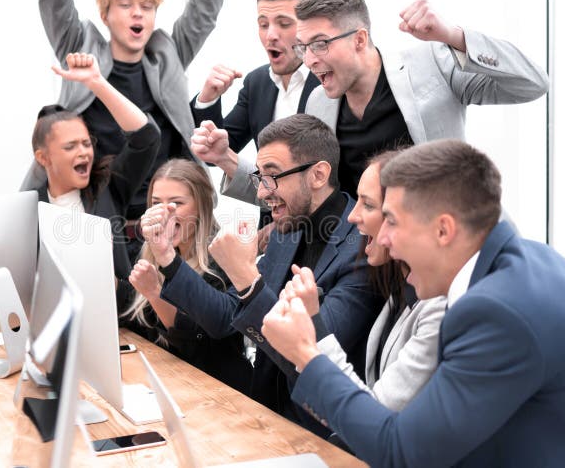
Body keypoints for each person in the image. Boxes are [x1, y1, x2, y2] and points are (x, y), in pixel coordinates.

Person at [262, 140, 565, 467]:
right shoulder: (527, 261)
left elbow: (402, 452)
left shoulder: (496, 312)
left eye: (392, 221)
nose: (381, 238)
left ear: (444, 230)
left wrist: (307, 354)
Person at [140, 113, 384, 437]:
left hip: (324, 432)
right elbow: (223, 319)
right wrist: (167, 258)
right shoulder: (288, 226)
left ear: (318, 174)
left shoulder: (363, 249)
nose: (261, 193)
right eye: (260, 177)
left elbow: (311, 353)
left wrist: (245, 278)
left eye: (272, 177)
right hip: (263, 414)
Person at [213, 0, 549, 203]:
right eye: (303, 48)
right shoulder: (318, 103)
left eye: (319, 45)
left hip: (441, 252)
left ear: (359, 39)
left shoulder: (431, 65)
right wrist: (226, 160)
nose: (310, 60)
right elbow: (296, 188)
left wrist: (453, 36)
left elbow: (531, 83)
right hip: (362, 263)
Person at [23, 0, 225, 262]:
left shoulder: (168, 55)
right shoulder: (79, 49)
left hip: (166, 221)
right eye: (126, 4)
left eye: (147, 6)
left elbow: (204, 9)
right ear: (105, 15)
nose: (137, 13)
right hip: (100, 216)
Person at [280, 150, 446, 414]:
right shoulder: (397, 291)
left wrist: (312, 322)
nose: (352, 216)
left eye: (368, 205)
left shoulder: (438, 308)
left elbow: (375, 412)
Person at [30, 52, 160, 313]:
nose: (84, 152)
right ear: (43, 157)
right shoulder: (29, 208)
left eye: (86, 143)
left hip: (116, 322)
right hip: (50, 323)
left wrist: (96, 83)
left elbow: (147, 137)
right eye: (70, 146)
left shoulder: (107, 188)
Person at [190, 0, 318, 235]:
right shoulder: (256, 82)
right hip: (273, 222)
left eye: (284, 24)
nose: (271, 35)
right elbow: (221, 148)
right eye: (263, 24)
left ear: (308, 26)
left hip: (323, 222)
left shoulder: (327, 80)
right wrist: (208, 99)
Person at [123, 159, 252, 394]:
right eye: (156, 203)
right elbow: (134, 320)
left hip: (220, 394)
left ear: (201, 207)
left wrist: (154, 294)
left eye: (176, 203)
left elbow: (199, 345)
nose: (164, 212)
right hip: (167, 383)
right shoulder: (146, 253)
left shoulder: (222, 259)